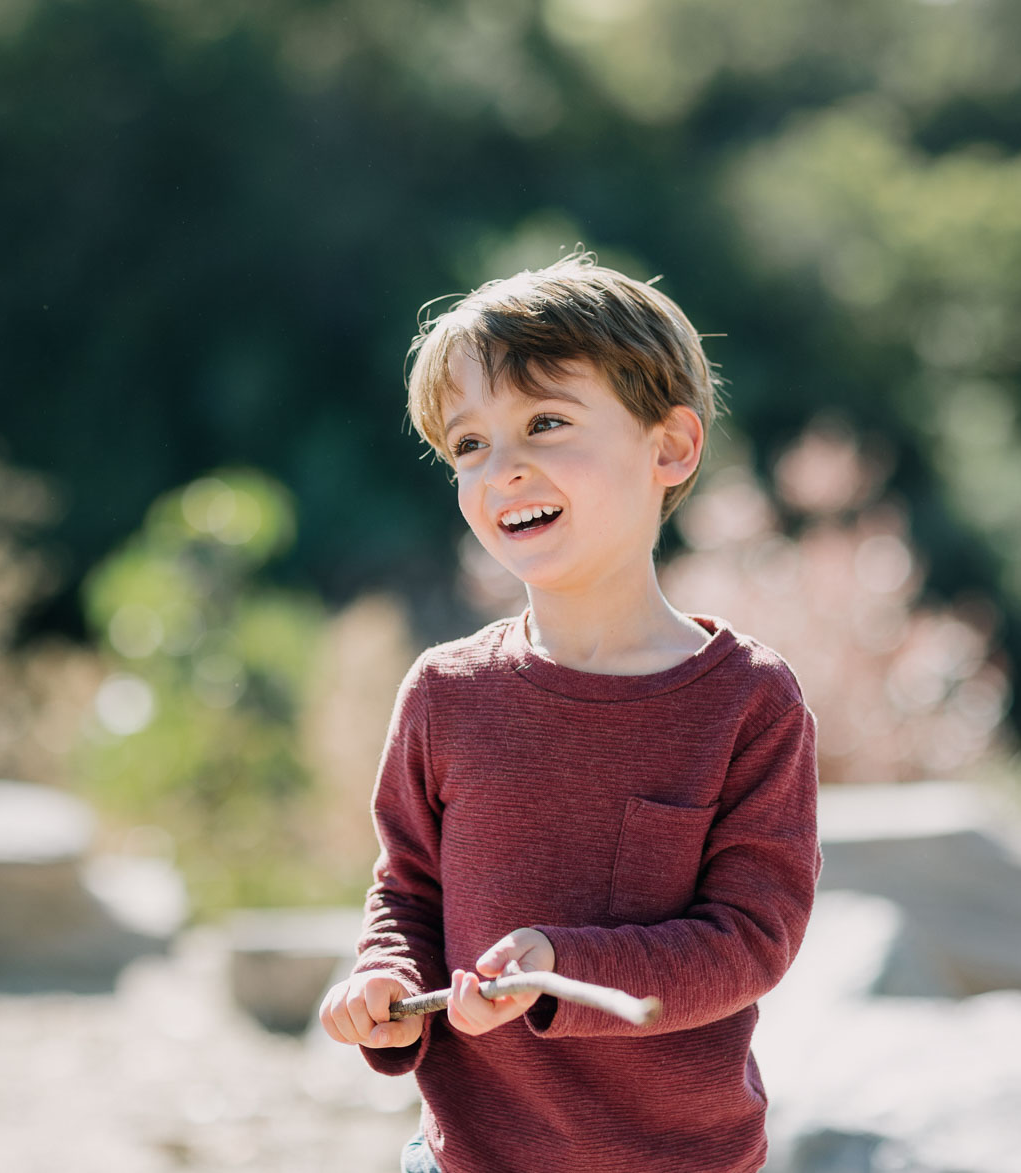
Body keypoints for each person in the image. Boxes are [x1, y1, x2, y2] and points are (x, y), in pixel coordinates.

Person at [317, 253, 822, 1173]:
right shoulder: (445, 693)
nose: (502, 470)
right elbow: (407, 889)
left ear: (670, 448)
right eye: (469, 445)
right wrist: (385, 980)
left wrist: (562, 964)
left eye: (545, 423)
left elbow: (750, 939)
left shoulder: (749, 701)